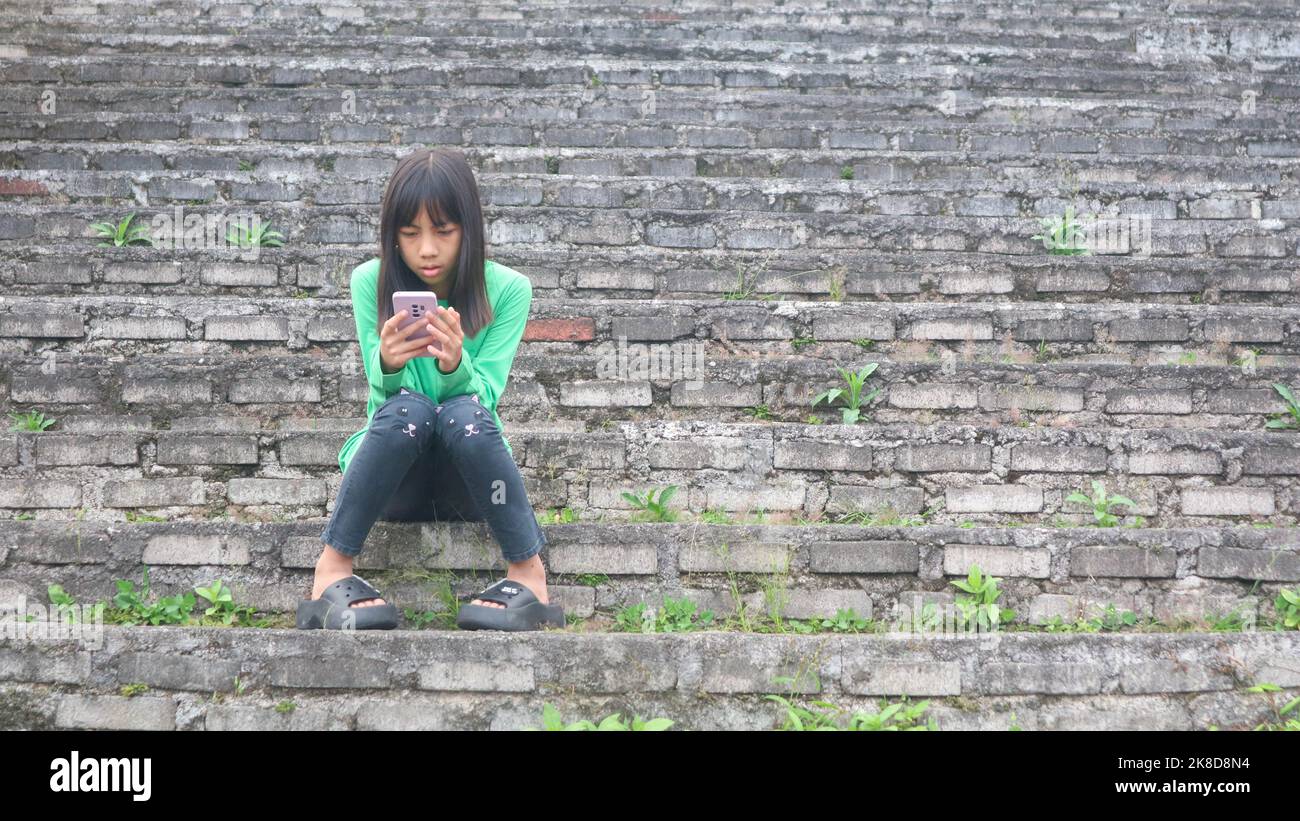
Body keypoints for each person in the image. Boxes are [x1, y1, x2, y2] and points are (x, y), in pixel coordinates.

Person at [296, 147, 563, 632]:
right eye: (410, 232)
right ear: (392, 235)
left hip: (470, 480)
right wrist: (388, 365)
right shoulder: (369, 282)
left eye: (443, 231)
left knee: (462, 412)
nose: (426, 250)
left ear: (470, 230)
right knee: (408, 410)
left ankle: (529, 574)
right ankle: (331, 569)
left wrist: (456, 364)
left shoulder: (507, 290)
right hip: (394, 480)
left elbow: (487, 403)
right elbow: (383, 409)